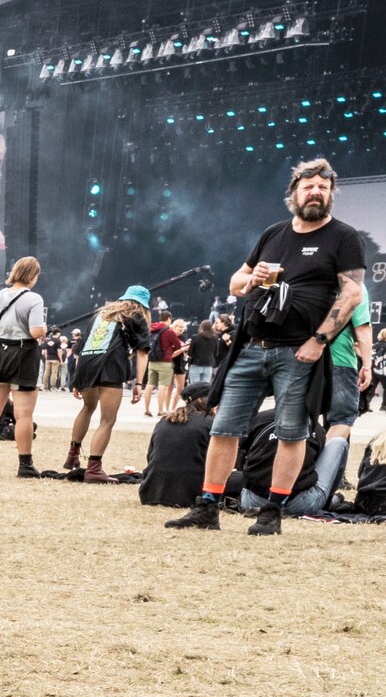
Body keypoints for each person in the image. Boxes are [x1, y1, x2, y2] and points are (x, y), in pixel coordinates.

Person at [169, 158, 366, 536]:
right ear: (293, 193)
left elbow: (352, 292)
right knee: (223, 428)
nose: (316, 192)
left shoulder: (342, 237)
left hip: (297, 351)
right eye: (308, 186)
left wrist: (319, 340)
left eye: (323, 188)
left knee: (292, 432)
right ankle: (207, 506)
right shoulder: (274, 234)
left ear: (331, 195)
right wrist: (251, 277)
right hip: (252, 346)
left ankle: (272, 511)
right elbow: (235, 283)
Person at [285, 289, 374, 517]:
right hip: (339, 361)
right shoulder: (354, 288)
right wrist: (367, 365)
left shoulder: (311, 279)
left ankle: (291, 476)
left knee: (298, 418)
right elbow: (363, 329)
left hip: (300, 357)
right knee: (342, 419)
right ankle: (320, 476)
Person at [0, 257, 49, 480]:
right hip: (23, 355)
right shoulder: (34, 298)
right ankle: (25, 464)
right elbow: (35, 332)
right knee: (23, 414)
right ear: (32, 276)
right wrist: (44, 327)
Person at [62, 287, 151, 483]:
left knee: (87, 407)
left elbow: (81, 346)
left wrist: (77, 377)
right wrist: (139, 383)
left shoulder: (100, 315)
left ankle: (73, 453)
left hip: (86, 364)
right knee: (107, 420)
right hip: (111, 365)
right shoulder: (136, 316)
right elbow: (142, 352)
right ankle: (94, 468)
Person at [138, 383, 216, 511]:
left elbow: (150, 456)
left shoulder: (164, 420)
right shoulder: (210, 423)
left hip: (152, 491)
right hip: (191, 493)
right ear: (201, 399)